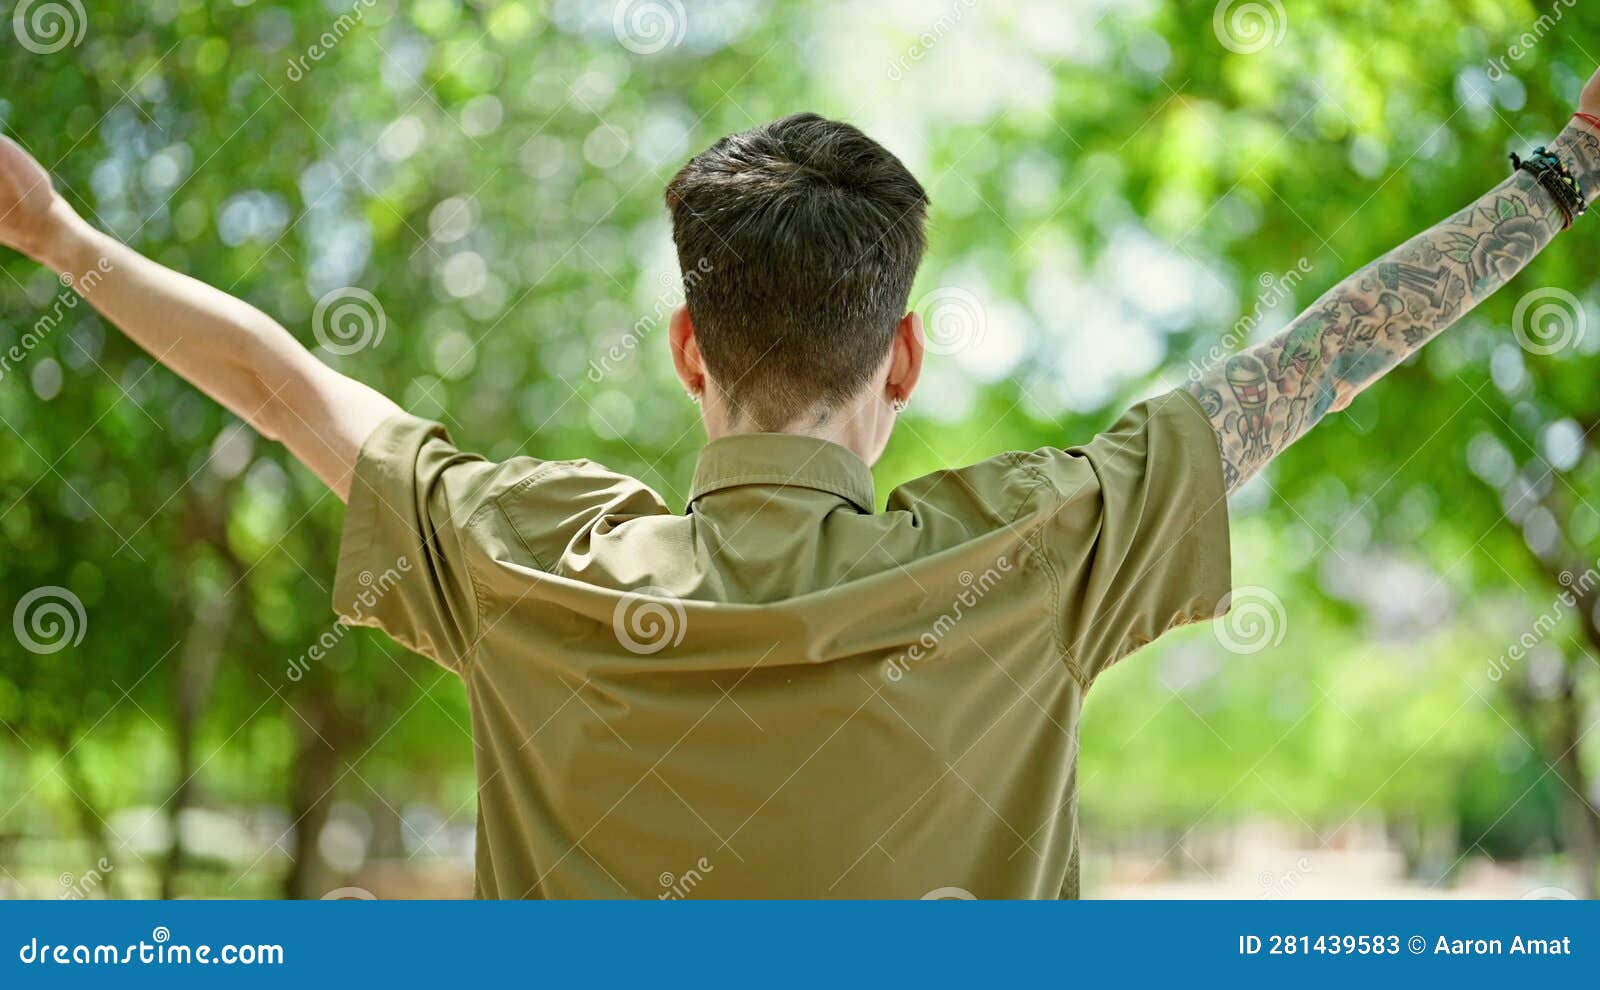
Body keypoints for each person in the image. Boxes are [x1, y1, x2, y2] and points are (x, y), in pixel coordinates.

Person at [3, 70, 1598, 899]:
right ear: (901, 358)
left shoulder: (526, 556)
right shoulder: (1032, 553)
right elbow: (1305, 369)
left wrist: (62, 235)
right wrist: (1561, 176)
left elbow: (287, 389)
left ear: (687, 347)